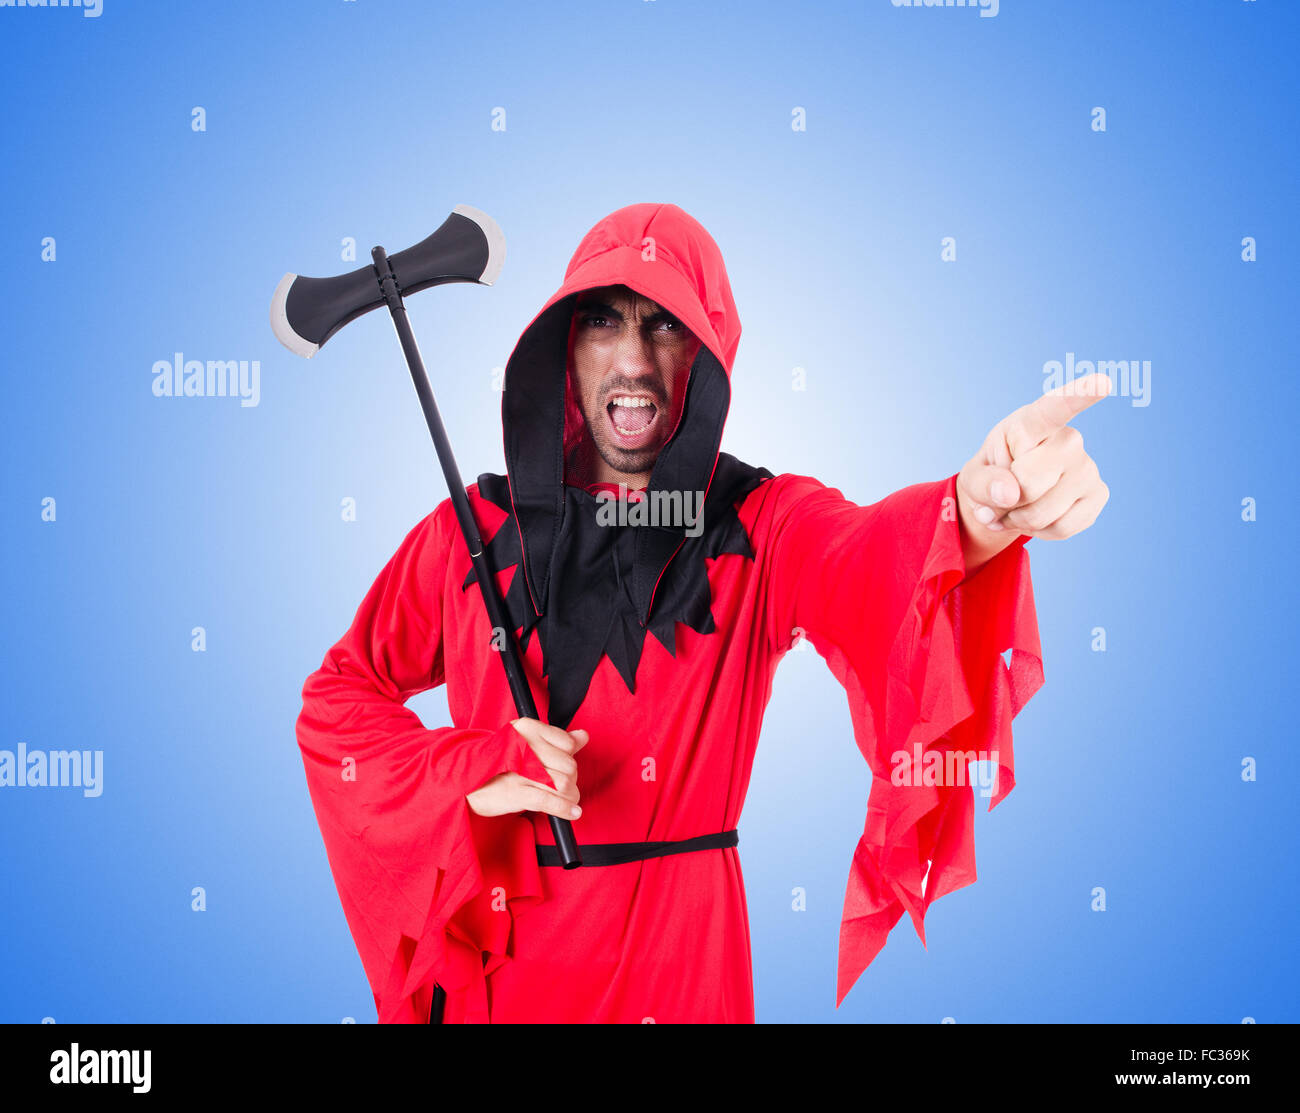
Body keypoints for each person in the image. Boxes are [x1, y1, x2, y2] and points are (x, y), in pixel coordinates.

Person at [294, 202, 1109, 1023]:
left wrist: (972, 514)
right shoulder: (468, 534)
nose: (633, 359)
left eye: (666, 326)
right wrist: (470, 767)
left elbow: (865, 558)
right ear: (566, 346)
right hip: (502, 985)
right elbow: (337, 702)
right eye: (604, 320)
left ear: (706, 356)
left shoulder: (760, 523)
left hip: (682, 975)